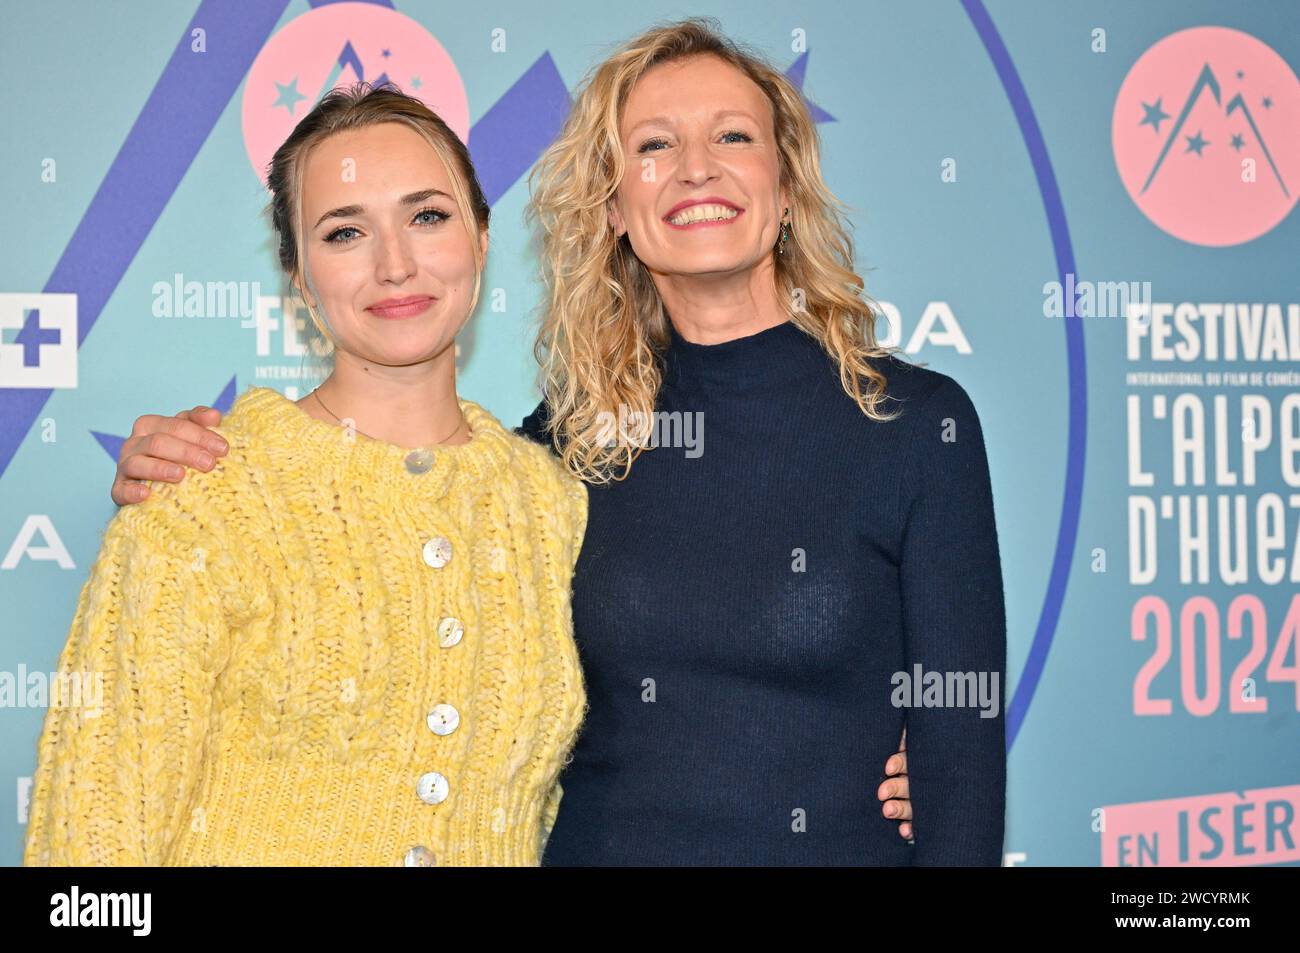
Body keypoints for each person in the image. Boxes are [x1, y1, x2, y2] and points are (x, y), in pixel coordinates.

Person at [112, 19, 983, 865]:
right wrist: (197, 465)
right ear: (613, 205)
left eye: (733, 136)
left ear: (787, 186)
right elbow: (394, 506)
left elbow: (962, 771)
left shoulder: (913, 427)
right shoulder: (561, 452)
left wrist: (941, 773)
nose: (696, 168)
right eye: (653, 146)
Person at [25, 85, 588, 866]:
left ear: (482, 239)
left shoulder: (553, 508)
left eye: (428, 216)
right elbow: (92, 839)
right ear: (298, 276)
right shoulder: (201, 490)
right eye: (345, 232)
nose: (395, 264)